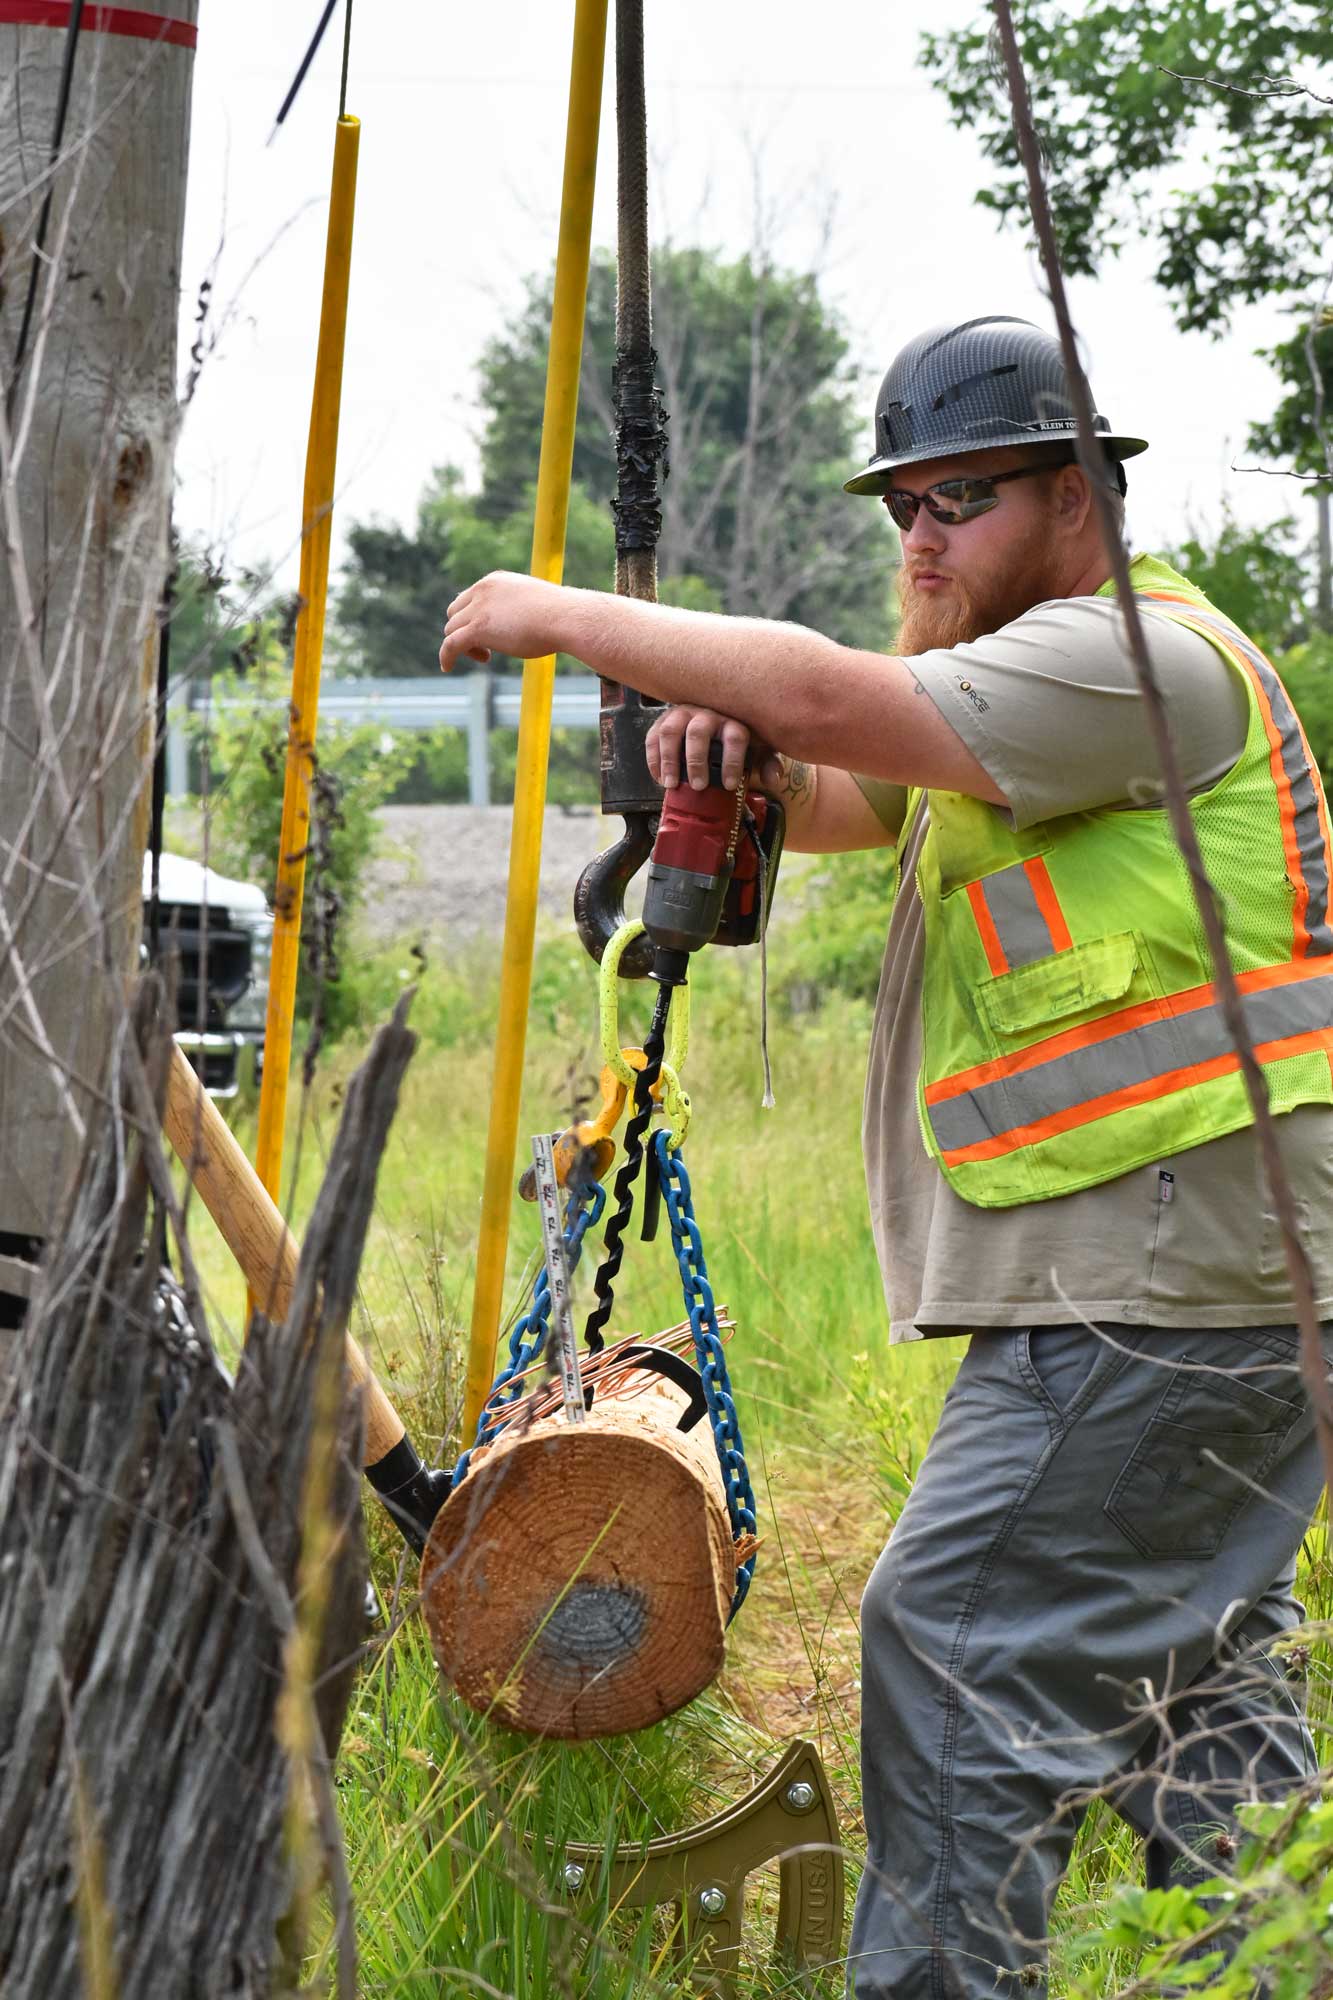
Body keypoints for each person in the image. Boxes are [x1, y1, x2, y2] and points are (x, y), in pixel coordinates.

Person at [441, 315, 1333, 1998]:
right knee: (1200, 1679)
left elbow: (818, 686)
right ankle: (1264, 1968)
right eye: (899, 505)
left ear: (1077, 490)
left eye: (960, 498)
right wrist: (730, 760)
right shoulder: (1035, 701)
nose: (919, 535)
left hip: (1149, 1293)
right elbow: (843, 779)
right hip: (1211, 1280)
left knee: (950, 1639)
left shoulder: (1135, 657)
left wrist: (552, 615)